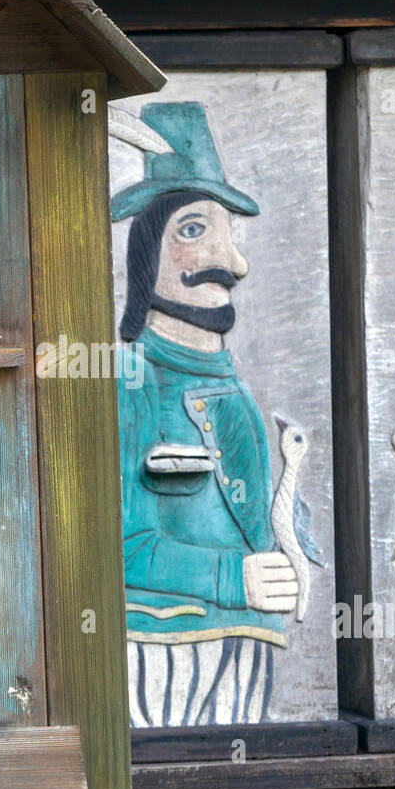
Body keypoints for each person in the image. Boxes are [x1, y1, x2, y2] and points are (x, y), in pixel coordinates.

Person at [112, 102, 297, 727]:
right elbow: (118, 545)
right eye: (193, 230)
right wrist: (234, 579)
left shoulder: (231, 382)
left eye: (228, 234)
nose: (231, 261)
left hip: (248, 650)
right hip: (166, 653)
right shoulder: (131, 377)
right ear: (146, 253)